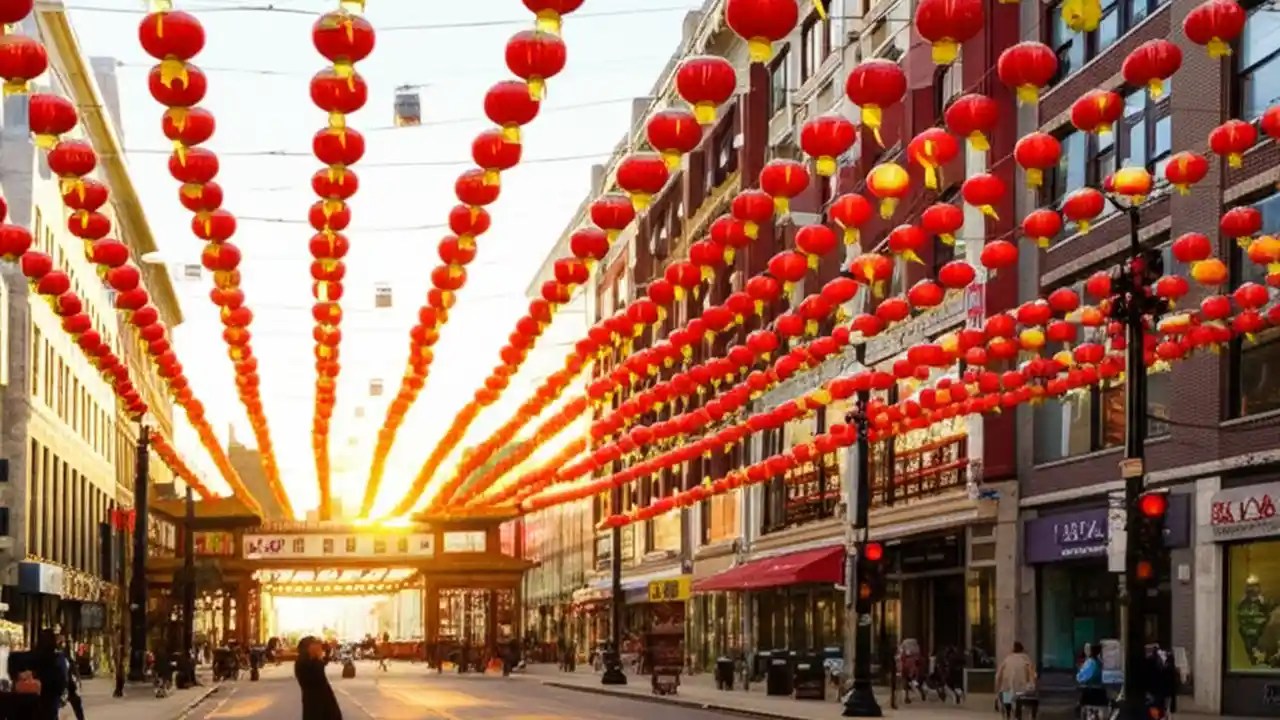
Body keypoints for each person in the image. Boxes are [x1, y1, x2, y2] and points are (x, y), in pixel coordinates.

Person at [295, 636, 342, 720]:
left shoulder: (311, 660)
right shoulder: (303, 662)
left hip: (322, 698)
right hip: (314, 700)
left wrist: (328, 651)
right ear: (309, 647)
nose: (319, 647)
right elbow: (318, 674)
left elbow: (322, 664)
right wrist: (319, 657)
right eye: (316, 645)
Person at [995, 641, 1037, 720]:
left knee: (1007, 700)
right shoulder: (1026, 659)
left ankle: (1008, 715)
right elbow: (1033, 676)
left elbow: (998, 677)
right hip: (1022, 692)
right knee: (1021, 704)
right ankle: (1018, 715)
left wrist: (997, 695)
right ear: (1022, 650)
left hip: (1007, 692)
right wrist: (1032, 687)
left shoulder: (1007, 659)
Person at [31, 630, 66, 720]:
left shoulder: (33, 657)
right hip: (51, 699)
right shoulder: (57, 658)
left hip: (35, 699)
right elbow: (62, 680)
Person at [1076, 642, 1108, 720]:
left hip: (1091, 693)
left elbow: (1081, 677)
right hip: (1101, 693)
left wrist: (1079, 675)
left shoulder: (1090, 663)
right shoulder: (1100, 662)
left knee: (1080, 709)